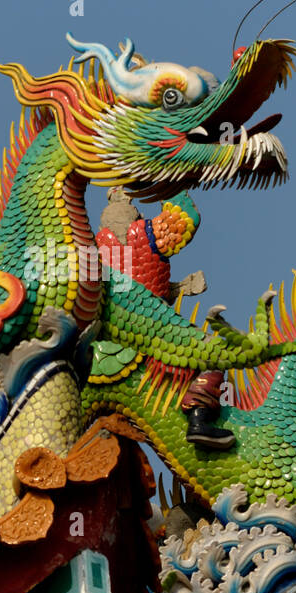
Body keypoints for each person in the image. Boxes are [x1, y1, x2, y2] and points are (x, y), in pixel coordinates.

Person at [96, 188, 234, 450]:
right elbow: (187, 217)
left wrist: (178, 288)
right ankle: (198, 419)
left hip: (110, 334)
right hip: (152, 326)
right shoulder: (146, 235)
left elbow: (129, 286)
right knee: (216, 354)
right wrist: (163, 182)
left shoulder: (91, 250)